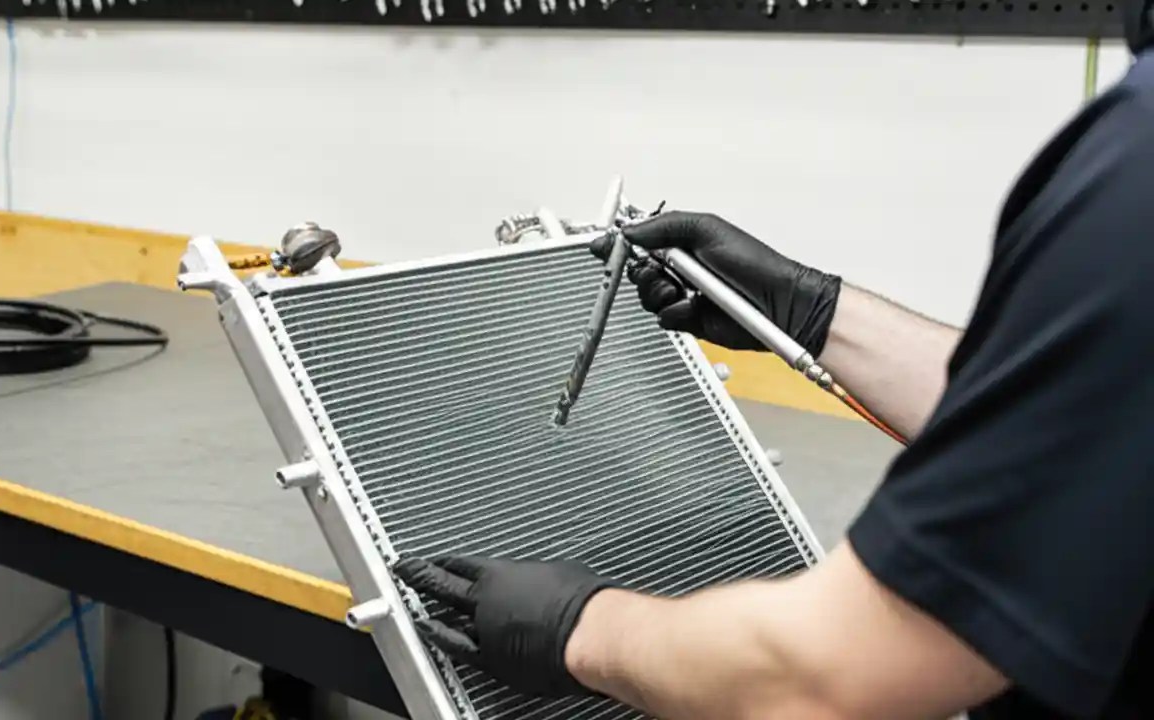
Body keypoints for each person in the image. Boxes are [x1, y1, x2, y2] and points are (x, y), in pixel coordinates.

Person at [396, 5, 1154, 718]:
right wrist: (814, 312)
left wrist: (582, 630)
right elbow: (1083, 420)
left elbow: (828, 676)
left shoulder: (1136, 163)